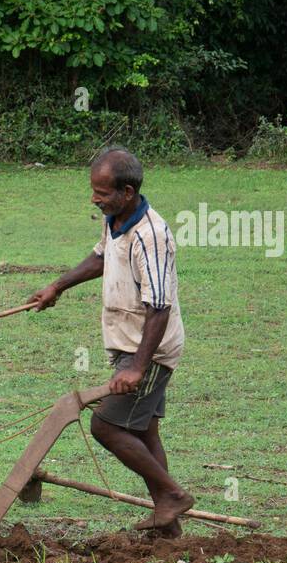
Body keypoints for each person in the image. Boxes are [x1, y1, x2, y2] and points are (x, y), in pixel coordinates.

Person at [28, 147, 194, 536]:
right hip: (130, 343)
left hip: (149, 348)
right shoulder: (115, 219)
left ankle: (171, 494)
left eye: (102, 192)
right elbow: (101, 258)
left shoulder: (151, 236)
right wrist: (58, 286)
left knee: (106, 427)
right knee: (143, 430)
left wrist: (137, 365)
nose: (94, 198)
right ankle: (167, 524)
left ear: (128, 191)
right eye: (94, 190)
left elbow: (159, 306)